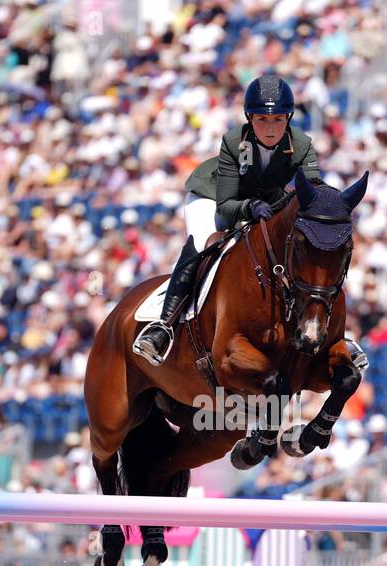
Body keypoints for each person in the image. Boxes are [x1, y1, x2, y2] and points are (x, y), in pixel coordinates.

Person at [133, 74, 323, 366]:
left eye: (277, 120)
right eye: (261, 120)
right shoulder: (234, 142)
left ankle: (327, 331)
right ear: (249, 118)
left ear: (289, 118)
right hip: (212, 197)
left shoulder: (303, 145)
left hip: (263, 200)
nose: (270, 128)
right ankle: (163, 327)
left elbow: (313, 192)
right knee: (201, 243)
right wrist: (252, 208)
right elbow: (227, 204)